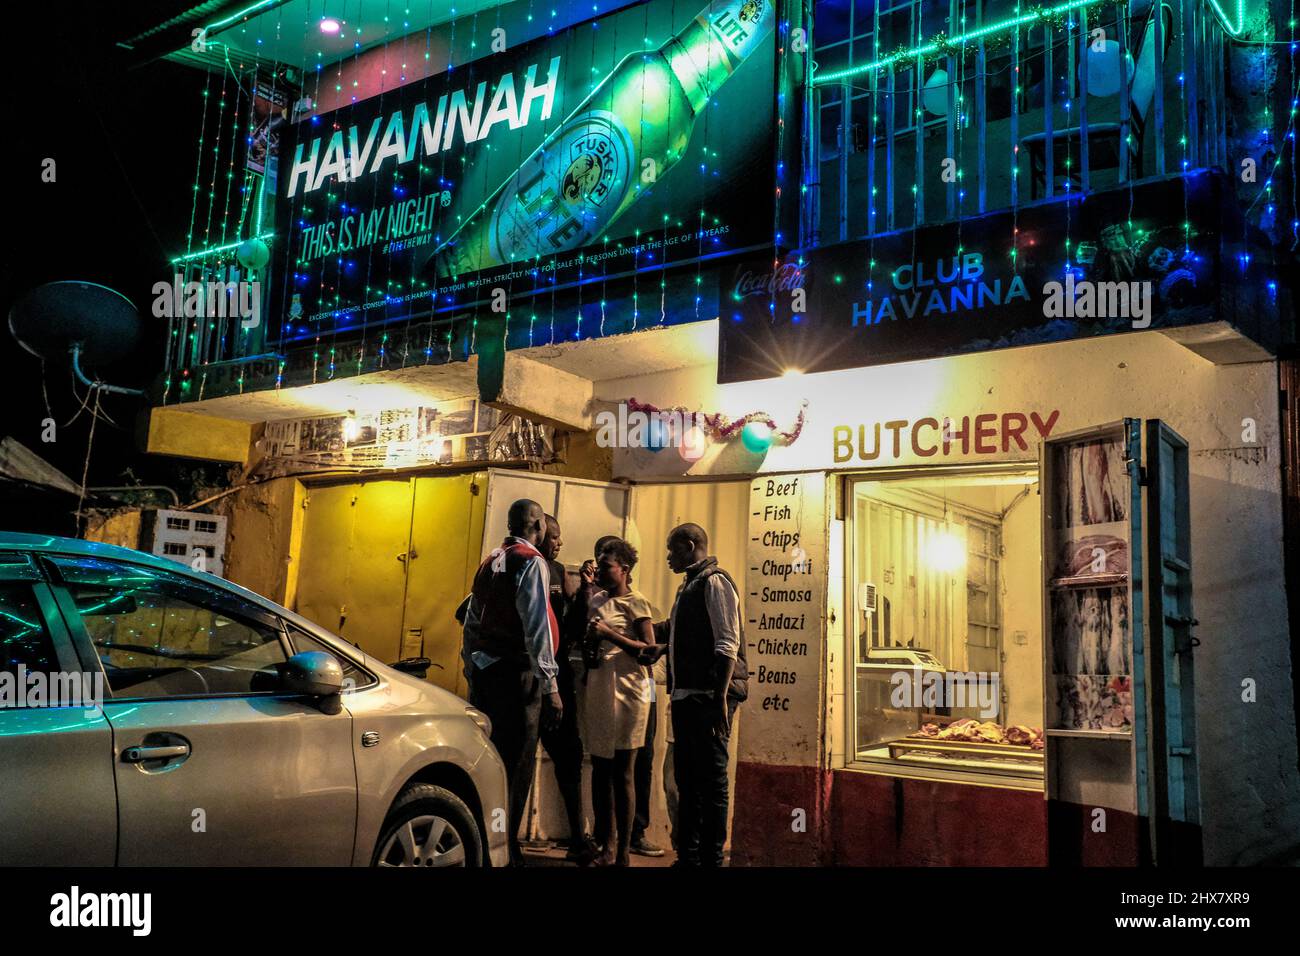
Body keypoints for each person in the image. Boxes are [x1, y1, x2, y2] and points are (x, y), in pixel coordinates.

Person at [461, 499, 562, 866]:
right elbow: (536, 627)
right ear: (536, 524)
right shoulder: (531, 561)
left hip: (488, 673)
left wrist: (472, 669)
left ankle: (490, 841)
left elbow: (471, 620)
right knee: (516, 767)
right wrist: (550, 685)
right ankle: (505, 848)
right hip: (516, 677)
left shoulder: (493, 559)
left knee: (492, 763)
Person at [656, 522, 748, 867]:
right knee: (688, 780)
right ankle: (689, 856)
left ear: (691, 545)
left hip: (707, 698)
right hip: (686, 697)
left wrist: (719, 699)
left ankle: (710, 858)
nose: (668, 557)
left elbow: (728, 643)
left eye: (672, 549)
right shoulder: (689, 587)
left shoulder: (715, 582)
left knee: (711, 780)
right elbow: (683, 635)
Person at [578, 540, 656, 866]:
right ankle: (604, 844)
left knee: (623, 771)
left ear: (624, 570)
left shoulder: (637, 603)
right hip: (599, 686)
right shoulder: (596, 599)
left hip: (629, 690)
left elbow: (650, 650)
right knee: (599, 768)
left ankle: (623, 850)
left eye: (606, 564)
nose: (601, 569)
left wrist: (610, 634)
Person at [539, 514, 600, 863]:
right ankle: (504, 841)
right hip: (530, 681)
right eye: (554, 536)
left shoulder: (559, 571)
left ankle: (578, 838)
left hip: (559, 677)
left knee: (570, 756)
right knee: (516, 763)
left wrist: (583, 593)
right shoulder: (523, 566)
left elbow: (570, 627)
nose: (559, 543)